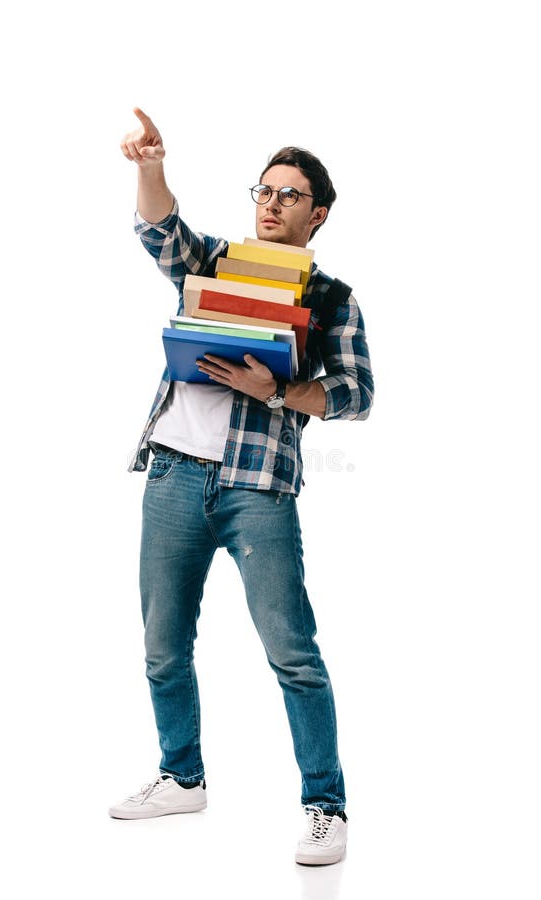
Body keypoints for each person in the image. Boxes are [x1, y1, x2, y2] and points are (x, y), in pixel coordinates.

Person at [109, 107, 374, 866]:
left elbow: (356, 394)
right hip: (170, 472)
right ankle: (180, 775)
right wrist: (149, 165)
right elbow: (162, 232)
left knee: (291, 650)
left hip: (256, 488)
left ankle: (325, 807)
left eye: (289, 195)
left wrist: (277, 390)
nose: (270, 202)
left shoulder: (332, 300)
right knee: (162, 647)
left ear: (316, 213)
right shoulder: (216, 261)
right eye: (264, 189)